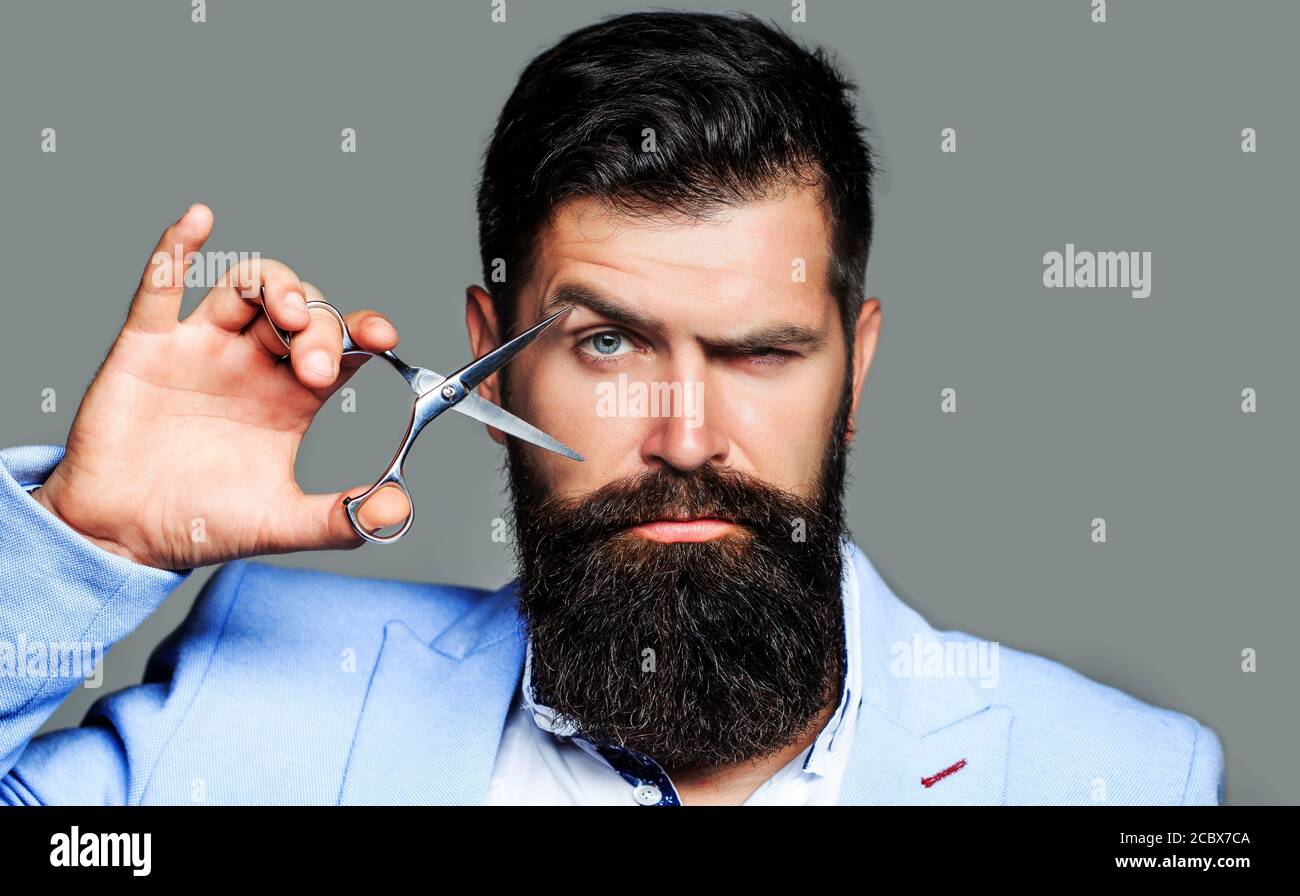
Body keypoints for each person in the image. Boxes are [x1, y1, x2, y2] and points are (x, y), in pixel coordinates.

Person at [0, 11, 1222, 806]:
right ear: (489, 366)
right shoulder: (260, 691)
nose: (685, 435)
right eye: (604, 342)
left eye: (760, 353)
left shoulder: (1124, 783)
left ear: (853, 369)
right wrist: (89, 540)